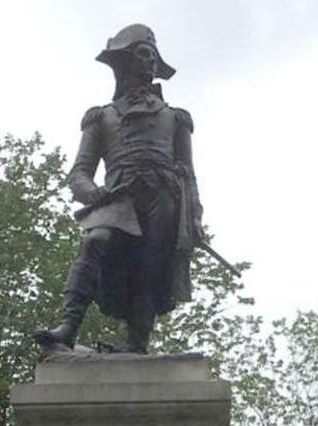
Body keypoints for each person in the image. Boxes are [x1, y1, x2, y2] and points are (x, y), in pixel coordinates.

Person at [34, 24, 201, 355]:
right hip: (118, 195)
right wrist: (93, 194)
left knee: (151, 264)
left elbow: (189, 174)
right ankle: (68, 327)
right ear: (125, 60)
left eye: (153, 56)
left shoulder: (176, 118)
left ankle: (137, 342)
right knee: (95, 240)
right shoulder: (101, 117)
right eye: (143, 54)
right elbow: (79, 172)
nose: (150, 62)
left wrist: (195, 217)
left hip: (163, 195)